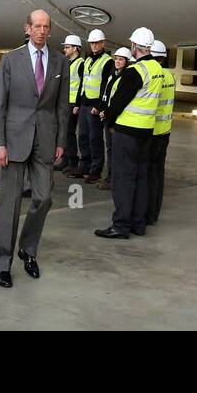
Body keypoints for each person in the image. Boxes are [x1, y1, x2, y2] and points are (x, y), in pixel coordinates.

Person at [0, 10, 67, 287]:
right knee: (8, 205)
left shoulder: (60, 61)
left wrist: (61, 141)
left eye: (46, 27)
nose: (42, 31)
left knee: (43, 198)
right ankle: (2, 264)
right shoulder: (11, 60)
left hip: (44, 140)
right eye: (37, 26)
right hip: (13, 140)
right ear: (27, 28)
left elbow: (62, 106)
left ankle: (28, 249)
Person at [95, 27, 163, 239]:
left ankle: (121, 226)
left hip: (127, 132)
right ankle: (138, 224)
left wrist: (109, 119)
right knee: (141, 177)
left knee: (123, 179)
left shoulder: (135, 71)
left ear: (134, 46)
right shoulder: (157, 69)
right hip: (147, 132)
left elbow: (118, 102)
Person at [77, 29, 114, 183]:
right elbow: (83, 82)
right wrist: (78, 103)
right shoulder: (87, 60)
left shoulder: (108, 61)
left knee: (95, 139)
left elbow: (106, 85)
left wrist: (99, 106)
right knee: (83, 137)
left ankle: (96, 170)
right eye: (92, 43)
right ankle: (84, 166)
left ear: (103, 43)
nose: (94, 45)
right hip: (85, 104)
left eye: (97, 42)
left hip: (94, 106)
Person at [145, 39, 174, 226]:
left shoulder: (154, 76)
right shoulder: (170, 76)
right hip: (165, 131)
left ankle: (147, 213)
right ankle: (154, 212)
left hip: (152, 132)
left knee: (147, 174)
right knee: (158, 172)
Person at [95, 47, 131, 190]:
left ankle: (115, 179)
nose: (117, 61)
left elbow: (120, 102)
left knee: (117, 151)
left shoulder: (126, 78)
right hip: (108, 118)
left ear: (127, 62)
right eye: (116, 59)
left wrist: (109, 116)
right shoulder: (112, 76)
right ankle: (110, 177)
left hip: (117, 121)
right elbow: (106, 95)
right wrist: (102, 110)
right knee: (110, 149)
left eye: (121, 59)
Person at [60, 34, 84, 177]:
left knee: (69, 133)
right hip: (66, 102)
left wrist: (77, 103)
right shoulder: (69, 62)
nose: (65, 49)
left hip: (73, 103)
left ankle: (73, 163)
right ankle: (67, 160)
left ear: (75, 49)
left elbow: (82, 85)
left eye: (67, 47)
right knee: (65, 133)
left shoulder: (80, 64)